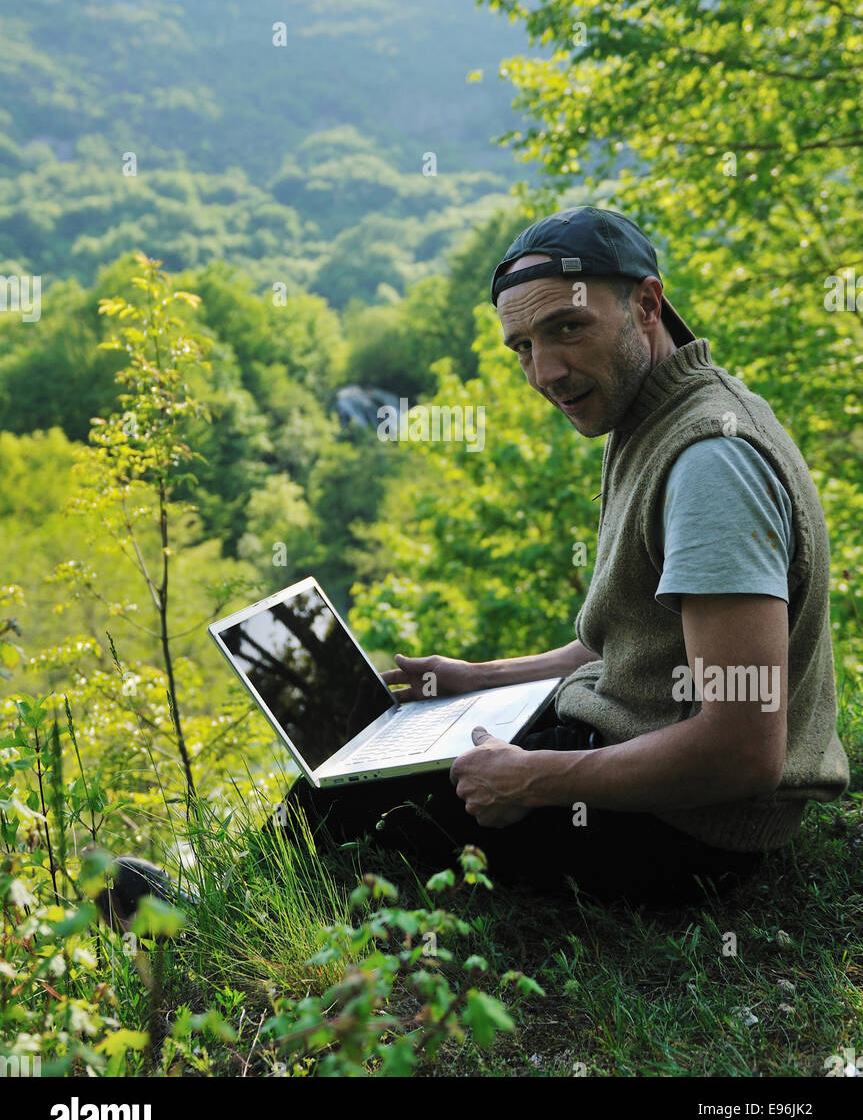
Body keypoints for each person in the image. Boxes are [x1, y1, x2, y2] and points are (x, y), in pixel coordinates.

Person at [106, 206, 849, 912]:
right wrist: (478, 679)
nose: (544, 372)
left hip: (688, 833)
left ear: (646, 306)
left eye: (568, 329)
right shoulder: (654, 411)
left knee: (349, 800)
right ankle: (246, 897)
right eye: (523, 347)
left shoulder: (709, 465)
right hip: (642, 760)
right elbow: (625, 644)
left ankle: (213, 924)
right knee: (367, 764)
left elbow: (742, 750)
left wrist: (535, 779)